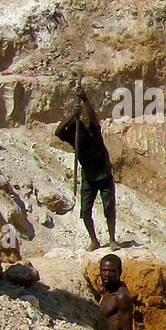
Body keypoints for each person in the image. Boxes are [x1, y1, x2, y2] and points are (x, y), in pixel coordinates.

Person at [54, 86, 117, 250]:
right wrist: (71, 116)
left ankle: (112, 239)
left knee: (109, 208)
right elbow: (58, 131)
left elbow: (93, 118)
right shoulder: (73, 138)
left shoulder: (92, 132)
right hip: (89, 178)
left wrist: (84, 99)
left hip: (104, 176)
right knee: (85, 211)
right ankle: (94, 240)